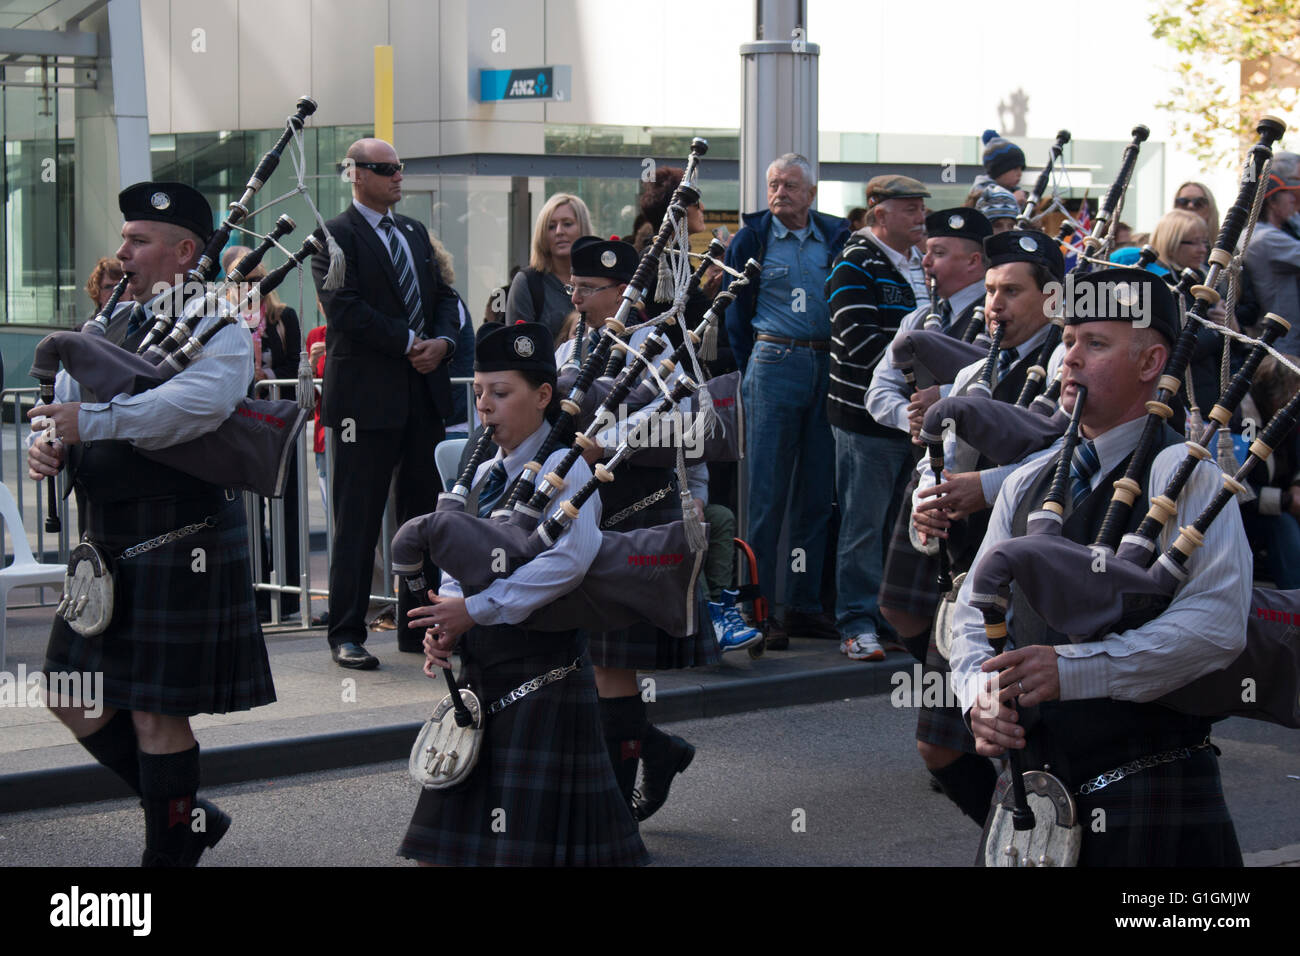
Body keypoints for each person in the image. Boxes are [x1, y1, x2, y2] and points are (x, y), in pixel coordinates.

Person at [950, 267, 1248, 866]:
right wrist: (977, 691)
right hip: (1032, 790)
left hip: (1148, 782)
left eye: (1096, 344)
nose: (1071, 359)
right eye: (1067, 341)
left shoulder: (1183, 477)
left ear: (1150, 362)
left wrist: (1076, 669)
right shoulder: (1029, 482)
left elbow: (1217, 624)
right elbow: (973, 609)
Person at [27, 180, 273, 865]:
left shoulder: (218, 326)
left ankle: (165, 857)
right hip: (105, 544)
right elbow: (65, 406)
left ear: (184, 250)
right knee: (68, 694)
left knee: (155, 713)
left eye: (139, 241)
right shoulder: (109, 325)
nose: (122, 252)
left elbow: (193, 409)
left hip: (179, 540)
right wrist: (47, 441)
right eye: (125, 237)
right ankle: (184, 813)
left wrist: (95, 422)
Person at [400, 321, 648, 867]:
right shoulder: (484, 473)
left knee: (528, 852)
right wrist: (446, 617)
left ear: (542, 397)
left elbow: (567, 564)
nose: (485, 407)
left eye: (502, 393)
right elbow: (454, 556)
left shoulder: (570, 468)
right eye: (479, 392)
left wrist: (477, 609)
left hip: (543, 677)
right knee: (449, 851)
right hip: (482, 676)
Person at [559, 236, 718, 822]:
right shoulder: (572, 344)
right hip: (578, 516)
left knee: (608, 663)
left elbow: (694, 434)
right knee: (585, 663)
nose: (575, 297)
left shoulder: (660, 346)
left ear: (624, 292)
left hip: (640, 516)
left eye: (587, 289)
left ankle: (614, 818)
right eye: (571, 287)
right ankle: (656, 749)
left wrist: (614, 444)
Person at [311, 137, 460, 670]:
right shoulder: (332, 235)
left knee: (423, 521)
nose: (398, 176)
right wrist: (407, 343)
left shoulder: (415, 233)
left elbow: (445, 297)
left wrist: (441, 344)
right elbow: (344, 308)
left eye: (400, 167)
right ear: (356, 174)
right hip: (364, 404)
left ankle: (417, 627)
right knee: (357, 520)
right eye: (386, 169)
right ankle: (346, 632)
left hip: (421, 397)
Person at [722, 153, 850, 648]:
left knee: (817, 494)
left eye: (790, 185)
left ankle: (802, 606)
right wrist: (755, 363)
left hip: (827, 364)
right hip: (774, 362)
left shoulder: (835, 237)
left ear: (811, 194)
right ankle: (756, 608)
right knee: (767, 494)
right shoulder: (753, 238)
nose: (779, 193)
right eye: (774, 183)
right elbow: (735, 313)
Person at [823, 176, 933, 661]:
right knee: (863, 525)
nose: (920, 217)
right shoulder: (854, 262)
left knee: (898, 523)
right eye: (909, 209)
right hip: (865, 419)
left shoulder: (920, 264)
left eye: (921, 208)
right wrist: (918, 385)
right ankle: (856, 622)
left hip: (910, 417)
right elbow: (858, 342)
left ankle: (889, 618)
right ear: (879, 214)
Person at [222, 245, 305, 621]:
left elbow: (291, 369)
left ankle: (288, 596)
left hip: (277, 426)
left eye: (258, 279)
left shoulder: (283, 317)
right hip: (240, 430)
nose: (252, 287)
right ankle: (254, 593)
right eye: (244, 280)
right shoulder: (222, 319)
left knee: (287, 509)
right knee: (250, 514)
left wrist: (265, 379)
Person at [505, 192, 594, 335]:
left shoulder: (600, 280)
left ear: (582, 228)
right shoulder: (528, 282)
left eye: (567, 224)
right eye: (551, 226)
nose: (559, 232)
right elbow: (519, 347)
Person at [1246, 173, 1300, 354]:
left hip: (1267, 334)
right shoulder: (1268, 238)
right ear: (1272, 202)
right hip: (1281, 340)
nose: (1293, 199)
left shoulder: (1250, 233)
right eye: (1287, 193)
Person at [84, 256, 124, 321]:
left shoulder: (141, 327)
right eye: (108, 287)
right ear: (97, 293)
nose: (116, 291)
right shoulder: (85, 330)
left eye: (121, 285)